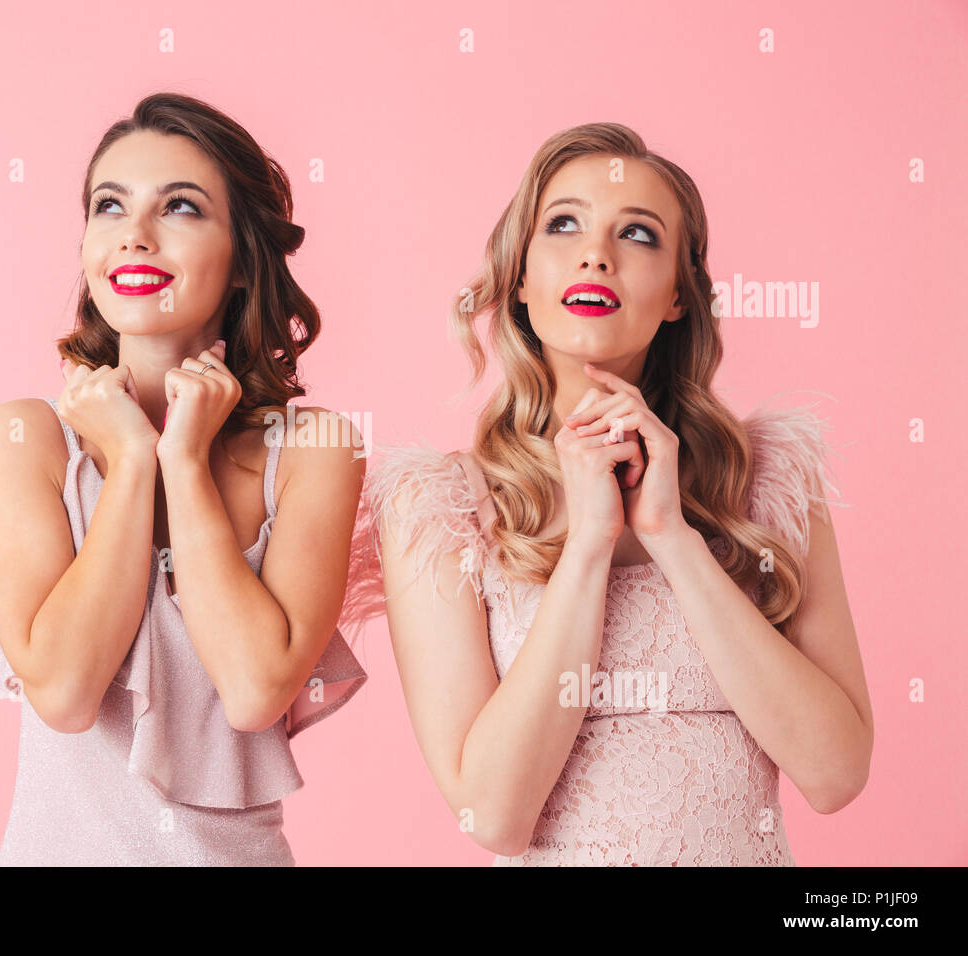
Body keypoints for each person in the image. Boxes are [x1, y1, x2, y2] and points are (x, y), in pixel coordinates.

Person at [346, 122, 873, 865]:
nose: (597, 253)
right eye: (563, 224)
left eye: (639, 234)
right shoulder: (439, 508)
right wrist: (588, 547)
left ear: (679, 298)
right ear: (521, 278)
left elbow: (836, 772)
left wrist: (673, 538)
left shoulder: (768, 482)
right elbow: (493, 816)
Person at [0, 93, 367, 866]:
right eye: (109, 207)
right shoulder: (25, 439)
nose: (135, 237)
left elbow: (255, 691)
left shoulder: (317, 449)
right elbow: (63, 692)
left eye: (180, 208)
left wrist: (182, 461)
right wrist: (126, 462)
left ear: (244, 257)